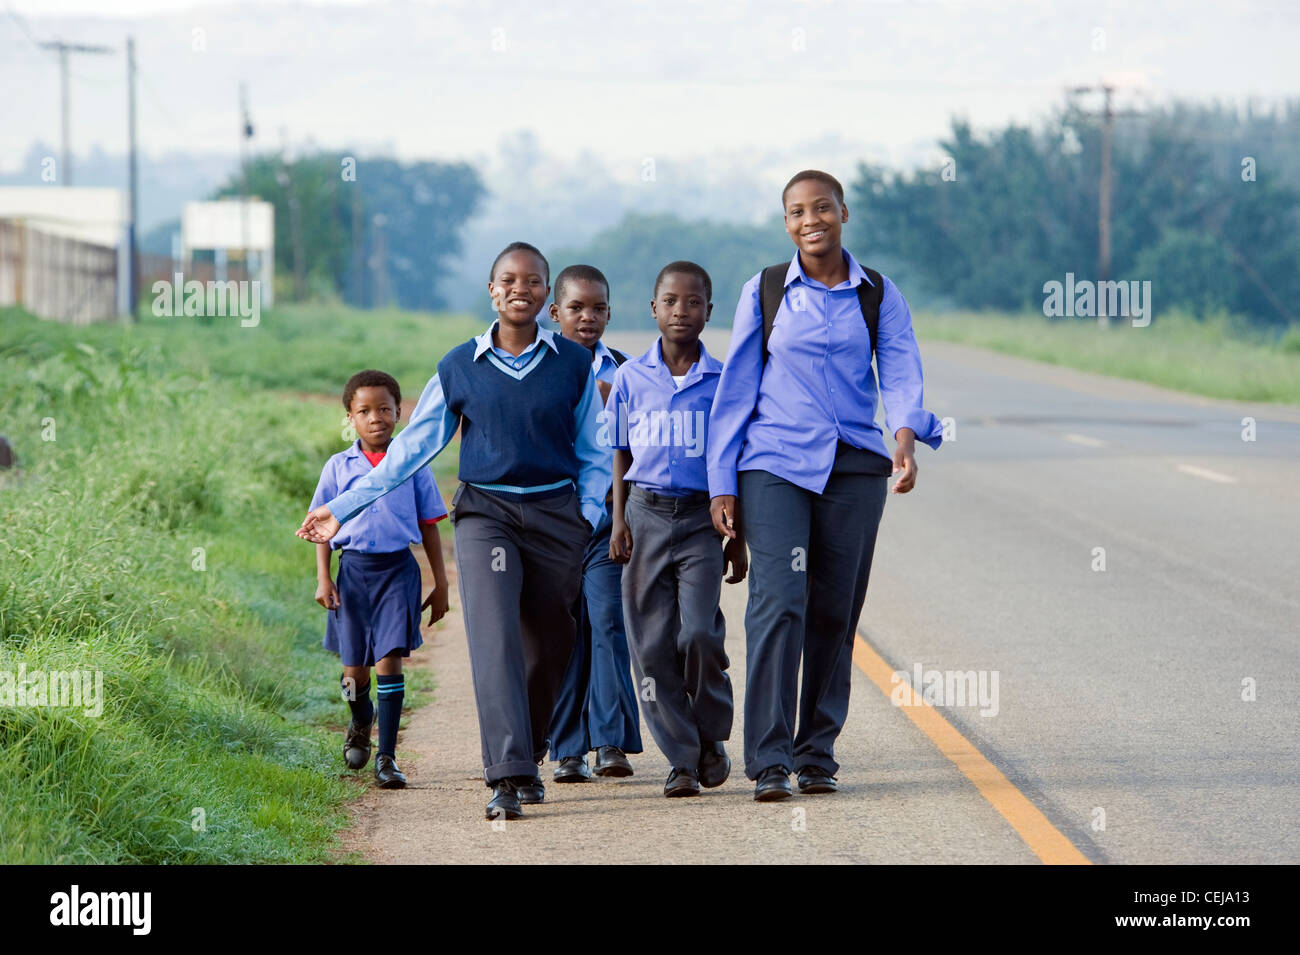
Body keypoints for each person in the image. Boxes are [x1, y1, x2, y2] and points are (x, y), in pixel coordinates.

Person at [298, 242, 609, 821]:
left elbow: (594, 449)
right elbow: (412, 449)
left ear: (546, 293)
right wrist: (343, 507)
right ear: (492, 290)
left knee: (550, 646)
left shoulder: (573, 363)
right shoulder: (459, 365)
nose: (521, 288)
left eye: (534, 281)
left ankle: (531, 750)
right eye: (508, 280)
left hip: (555, 518)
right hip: (486, 516)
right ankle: (507, 777)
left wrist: (588, 514)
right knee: (493, 641)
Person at [707, 170, 944, 801]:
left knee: (835, 612)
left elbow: (899, 366)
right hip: (775, 463)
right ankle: (769, 758)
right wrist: (720, 481)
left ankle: (816, 752)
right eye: (795, 212)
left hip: (855, 467)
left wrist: (904, 437)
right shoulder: (766, 291)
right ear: (786, 223)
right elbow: (736, 388)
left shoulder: (878, 293)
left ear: (844, 212)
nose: (809, 220)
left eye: (821, 208)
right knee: (779, 600)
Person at [607, 260, 747, 797]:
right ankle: (682, 758)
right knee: (651, 644)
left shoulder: (725, 380)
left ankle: (711, 732)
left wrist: (741, 540)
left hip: (701, 519)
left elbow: (736, 459)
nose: (681, 311)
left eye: (693, 302)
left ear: (709, 312)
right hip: (643, 511)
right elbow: (620, 451)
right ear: (653, 308)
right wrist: (618, 519)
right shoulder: (630, 377)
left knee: (698, 634)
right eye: (670, 301)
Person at [309, 369, 450, 789]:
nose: (376, 418)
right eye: (365, 411)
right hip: (352, 573)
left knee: (390, 659)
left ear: (399, 412)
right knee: (355, 672)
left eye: (385, 409)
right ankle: (359, 720)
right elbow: (322, 526)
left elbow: (429, 525)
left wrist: (441, 583)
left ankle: (386, 758)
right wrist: (324, 578)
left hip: (397, 573)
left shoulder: (412, 465)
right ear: (350, 417)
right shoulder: (338, 467)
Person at [546, 265, 644, 783]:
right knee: (564, 635)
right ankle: (566, 749)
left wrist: (625, 517)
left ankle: (609, 743)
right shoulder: (538, 367)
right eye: (577, 308)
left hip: (609, 522)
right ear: (554, 312)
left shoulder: (626, 372)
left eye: (599, 308)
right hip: (552, 523)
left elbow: (633, 452)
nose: (588, 317)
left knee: (608, 623)